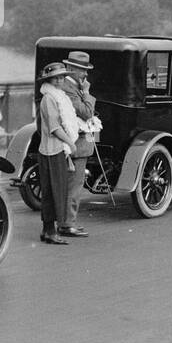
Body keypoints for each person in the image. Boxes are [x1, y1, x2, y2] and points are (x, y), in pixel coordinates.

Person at [37, 61, 79, 246]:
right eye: (57, 77)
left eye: (62, 76)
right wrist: (70, 142)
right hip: (51, 150)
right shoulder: (50, 99)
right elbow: (54, 127)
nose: (61, 80)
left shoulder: (54, 96)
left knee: (53, 190)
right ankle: (50, 231)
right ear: (50, 80)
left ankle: (48, 230)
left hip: (53, 149)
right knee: (54, 190)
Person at [61, 50, 98, 239]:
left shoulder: (68, 87)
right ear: (71, 69)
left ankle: (67, 222)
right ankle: (68, 224)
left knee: (71, 185)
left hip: (74, 144)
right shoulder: (70, 89)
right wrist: (87, 92)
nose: (85, 74)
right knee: (74, 186)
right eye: (82, 70)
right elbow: (86, 112)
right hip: (77, 145)